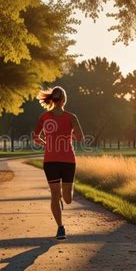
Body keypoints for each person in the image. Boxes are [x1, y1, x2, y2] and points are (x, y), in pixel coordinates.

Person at [33, 86, 84, 240]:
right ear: (63, 99)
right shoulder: (47, 117)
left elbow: (35, 137)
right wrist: (66, 137)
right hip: (52, 161)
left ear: (54, 100)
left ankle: (64, 197)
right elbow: (81, 138)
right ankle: (60, 227)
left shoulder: (70, 117)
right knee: (56, 194)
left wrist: (47, 142)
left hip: (67, 161)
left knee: (66, 198)